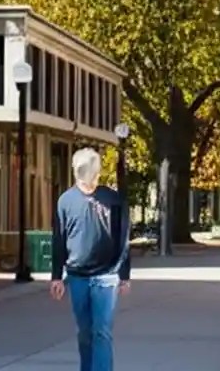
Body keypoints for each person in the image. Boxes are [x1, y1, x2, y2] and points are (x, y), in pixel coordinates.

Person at [50, 147, 131, 371]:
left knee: (101, 331)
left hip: (106, 276)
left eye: (94, 176)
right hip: (77, 276)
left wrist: (124, 275)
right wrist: (56, 277)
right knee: (84, 332)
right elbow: (59, 239)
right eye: (86, 177)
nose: (91, 182)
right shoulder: (65, 201)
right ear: (77, 173)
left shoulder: (112, 199)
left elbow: (123, 237)